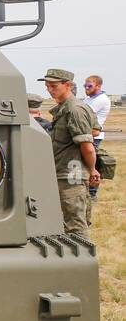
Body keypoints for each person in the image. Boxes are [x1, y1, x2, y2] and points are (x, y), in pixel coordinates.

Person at [38, 69, 99, 236]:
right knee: (62, 221)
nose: (50, 89)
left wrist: (92, 169)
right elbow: (94, 130)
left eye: (54, 86)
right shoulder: (63, 108)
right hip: (61, 171)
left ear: (68, 85)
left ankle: (82, 259)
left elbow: (87, 145)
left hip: (72, 174)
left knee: (75, 223)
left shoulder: (74, 109)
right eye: (47, 86)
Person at [83, 76, 110, 221]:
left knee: (91, 165)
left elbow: (83, 113)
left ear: (98, 86)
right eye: (85, 86)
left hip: (94, 136)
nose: (86, 89)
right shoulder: (89, 98)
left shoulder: (101, 100)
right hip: (87, 134)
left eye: (89, 86)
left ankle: (92, 193)